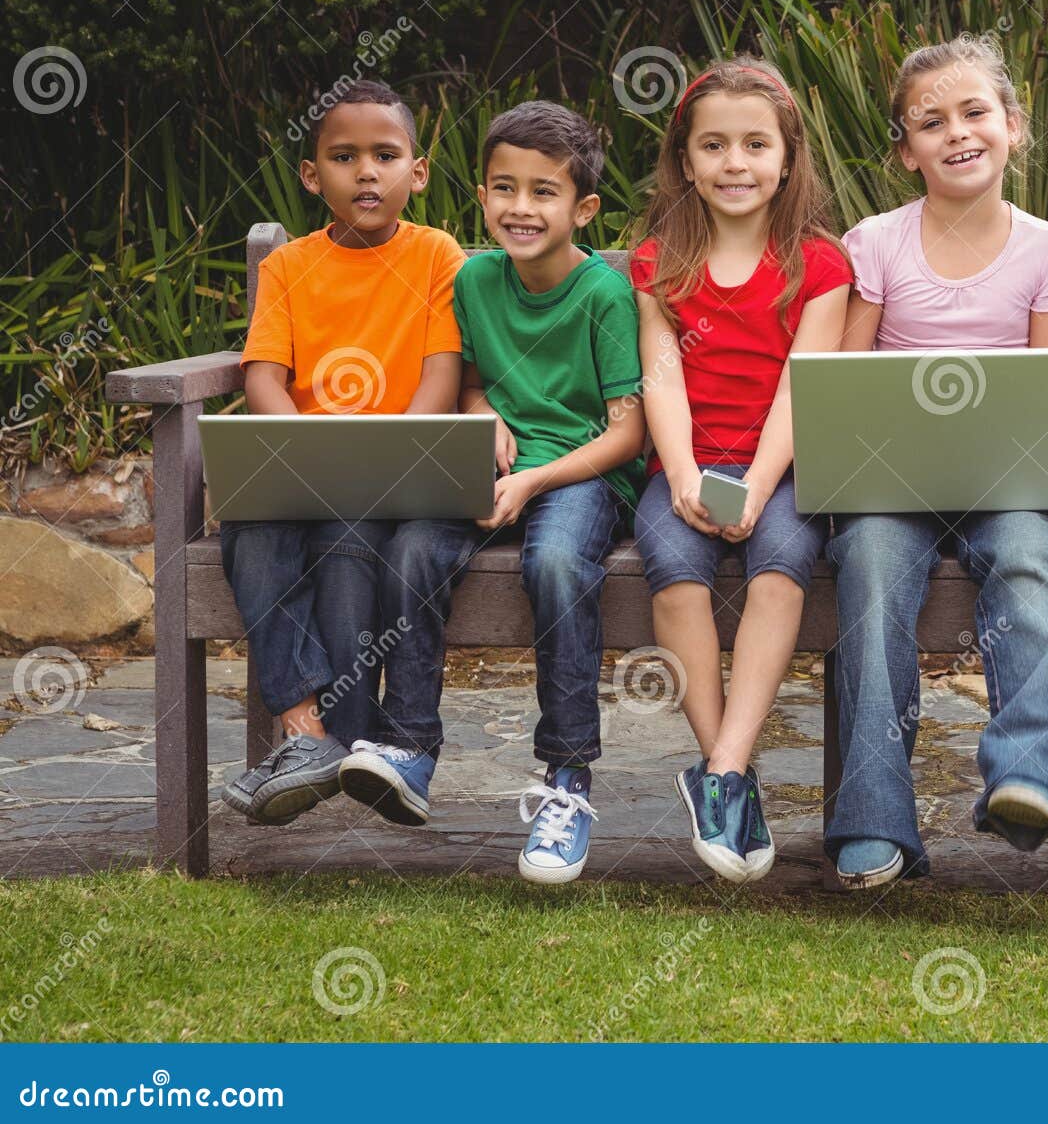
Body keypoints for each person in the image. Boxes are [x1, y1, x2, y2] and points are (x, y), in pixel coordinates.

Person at [345, 101, 646, 885]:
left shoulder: (603, 295)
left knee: (555, 562)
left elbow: (627, 434)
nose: (521, 207)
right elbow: (473, 382)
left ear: (583, 208)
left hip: (581, 473)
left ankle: (568, 778)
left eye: (544, 192)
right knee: (413, 548)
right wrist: (485, 419)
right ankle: (410, 747)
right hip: (493, 467)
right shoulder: (475, 279)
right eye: (504, 188)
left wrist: (535, 477)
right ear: (481, 195)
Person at [829, 34, 1048, 890]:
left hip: (1007, 481)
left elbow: (1047, 394)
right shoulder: (875, 243)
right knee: (870, 564)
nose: (957, 133)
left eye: (975, 112)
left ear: (1013, 125)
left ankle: (1030, 775)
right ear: (907, 152)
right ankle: (873, 815)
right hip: (890, 481)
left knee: (1028, 556)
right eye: (930, 122)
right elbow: (845, 382)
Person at [219, 81, 465, 826]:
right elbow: (263, 376)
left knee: (347, 543)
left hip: (398, 474)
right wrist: (305, 452)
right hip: (305, 465)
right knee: (251, 528)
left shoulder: (436, 255)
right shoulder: (289, 266)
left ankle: (340, 739)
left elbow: (442, 373)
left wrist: (393, 454)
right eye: (344, 157)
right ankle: (310, 735)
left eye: (385, 156)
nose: (366, 172)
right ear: (311, 174)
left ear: (417, 172)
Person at [631, 59, 850, 884]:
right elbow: (661, 378)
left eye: (756, 145)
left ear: (787, 159)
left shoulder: (817, 265)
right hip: (686, 460)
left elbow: (801, 384)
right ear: (685, 161)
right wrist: (685, 474)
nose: (735, 163)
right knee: (674, 570)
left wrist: (757, 483)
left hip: (782, 464)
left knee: (782, 567)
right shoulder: (658, 262)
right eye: (714, 145)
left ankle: (724, 765)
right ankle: (727, 774)